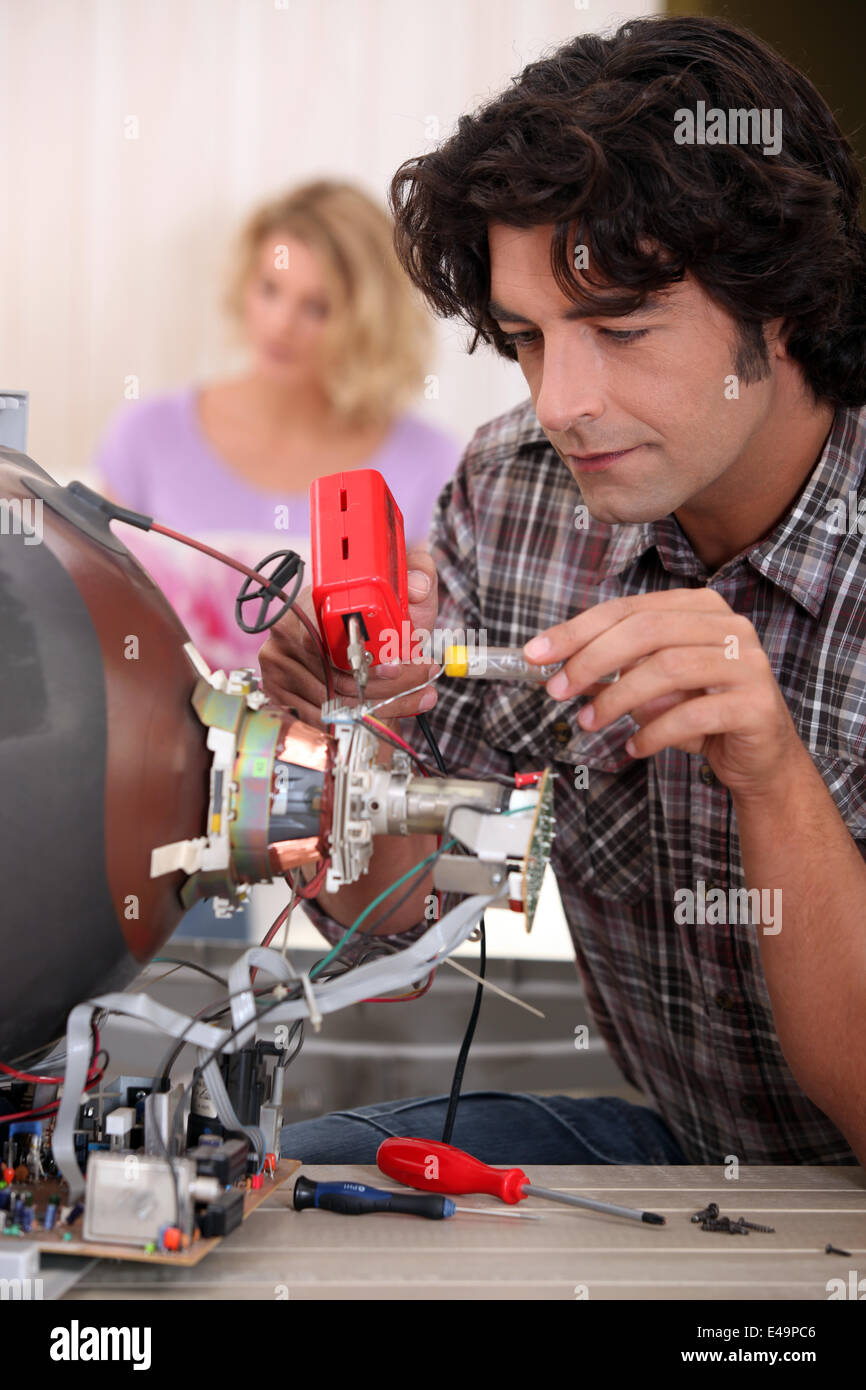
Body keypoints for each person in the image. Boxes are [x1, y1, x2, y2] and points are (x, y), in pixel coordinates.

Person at [261, 15, 866, 1168]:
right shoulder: (516, 492)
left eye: (620, 329)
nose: (560, 402)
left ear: (779, 304)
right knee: (297, 1184)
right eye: (530, 338)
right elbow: (398, 930)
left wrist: (772, 776)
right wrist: (357, 739)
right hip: (688, 1151)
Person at [93, 179, 461, 675]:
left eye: (317, 307)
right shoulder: (145, 436)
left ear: (369, 323)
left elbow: (422, 655)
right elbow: (101, 624)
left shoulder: (430, 463)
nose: (281, 324)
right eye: (270, 289)